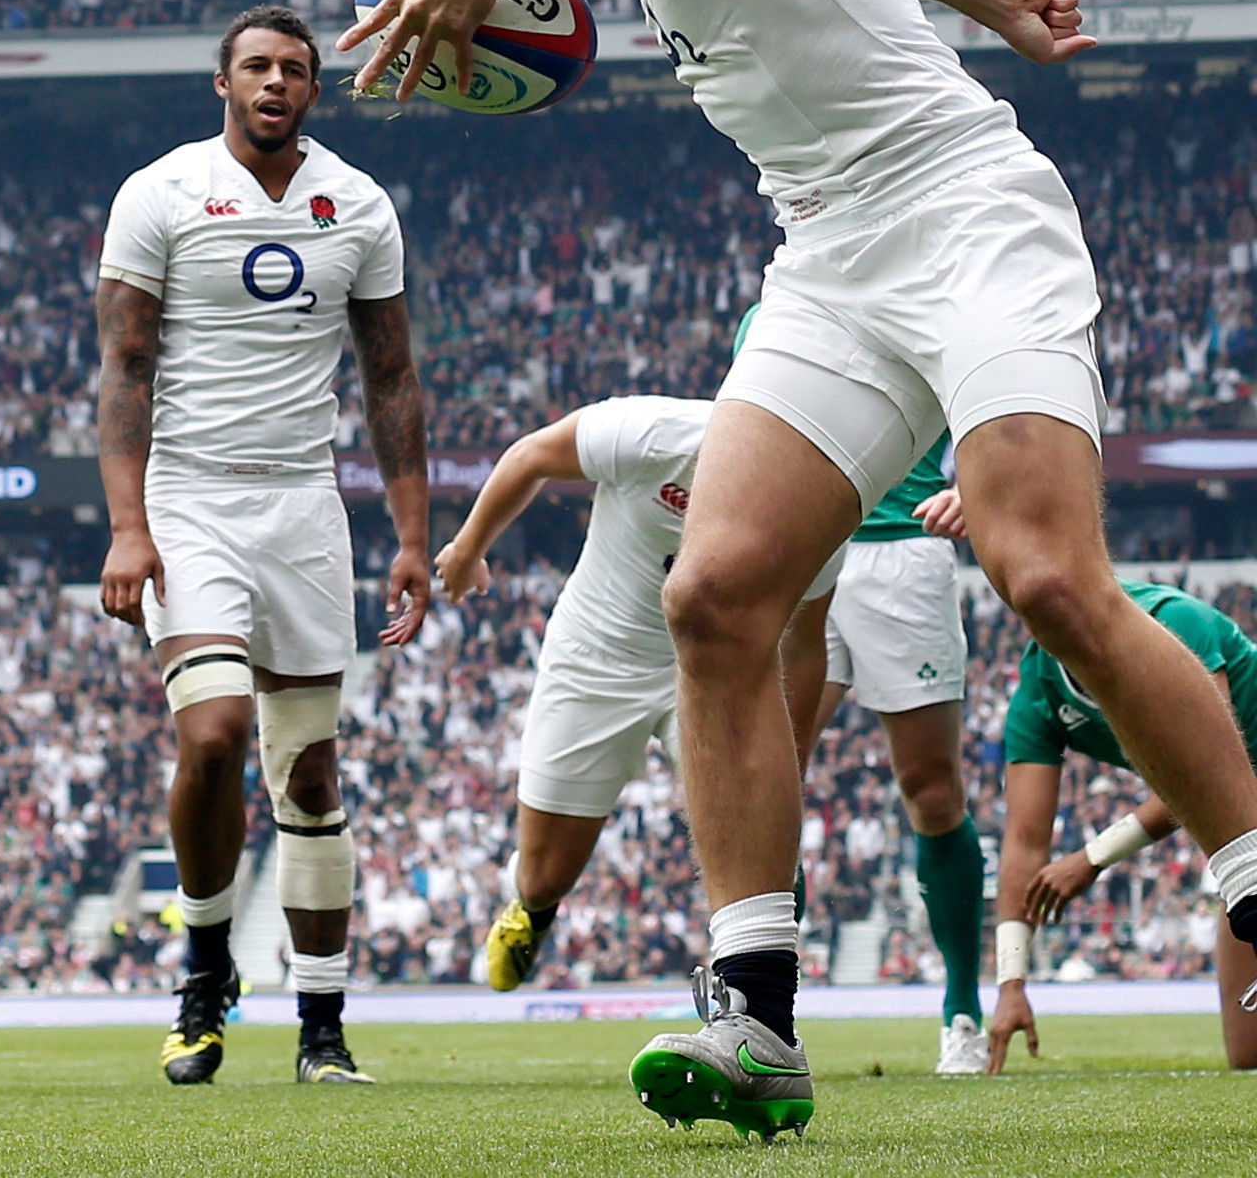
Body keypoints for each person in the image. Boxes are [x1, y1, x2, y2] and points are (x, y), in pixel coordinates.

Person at [340, 0, 1257, 1139]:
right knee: (713, 597)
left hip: (964, 212)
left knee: (1044, 576)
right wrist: (1007, 0)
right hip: (828, 251)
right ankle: (757, 1019)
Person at [97, 5, 431, 1088]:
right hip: (187, 496)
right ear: (221, 83)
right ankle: (203, 969)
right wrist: (126, 525)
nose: (274, 81)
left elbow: (389, 375)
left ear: (313, 90)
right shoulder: (159, 193)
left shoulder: (359, 203)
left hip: (302, 505)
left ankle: (320, 1026)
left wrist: (412, 533)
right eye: (255, 67)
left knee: (309, 771)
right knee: (212, 731)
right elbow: (124, 368)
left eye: (293, 68)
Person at [435, 394, 844, 993]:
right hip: (596, 659)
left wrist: (786, 767)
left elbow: (807, 644)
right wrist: (469, 548)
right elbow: (530, 457)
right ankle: (531, 906)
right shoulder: (654, 432)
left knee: (768, 852)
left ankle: (755, 1002)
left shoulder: (813, 505)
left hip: (720, 671)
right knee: (546, 875)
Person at [769, 316, 987, 1076]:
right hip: (806, 552)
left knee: (930, 792)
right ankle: (762, 1013)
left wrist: (979, 484)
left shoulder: (922, 302)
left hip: (903, 557)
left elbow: (1003, 399)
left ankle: (963, 1007)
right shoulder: (773, 313)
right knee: (769, 780)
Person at [987, 580, 1257, 1074]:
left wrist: (1092, 859)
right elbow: (1024, 843)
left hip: (1241, 806)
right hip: (1243, 835)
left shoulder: (1178, 622)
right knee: (1249, 1053)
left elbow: (1206, 772)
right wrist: (1012, 984)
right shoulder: (1038, 686)